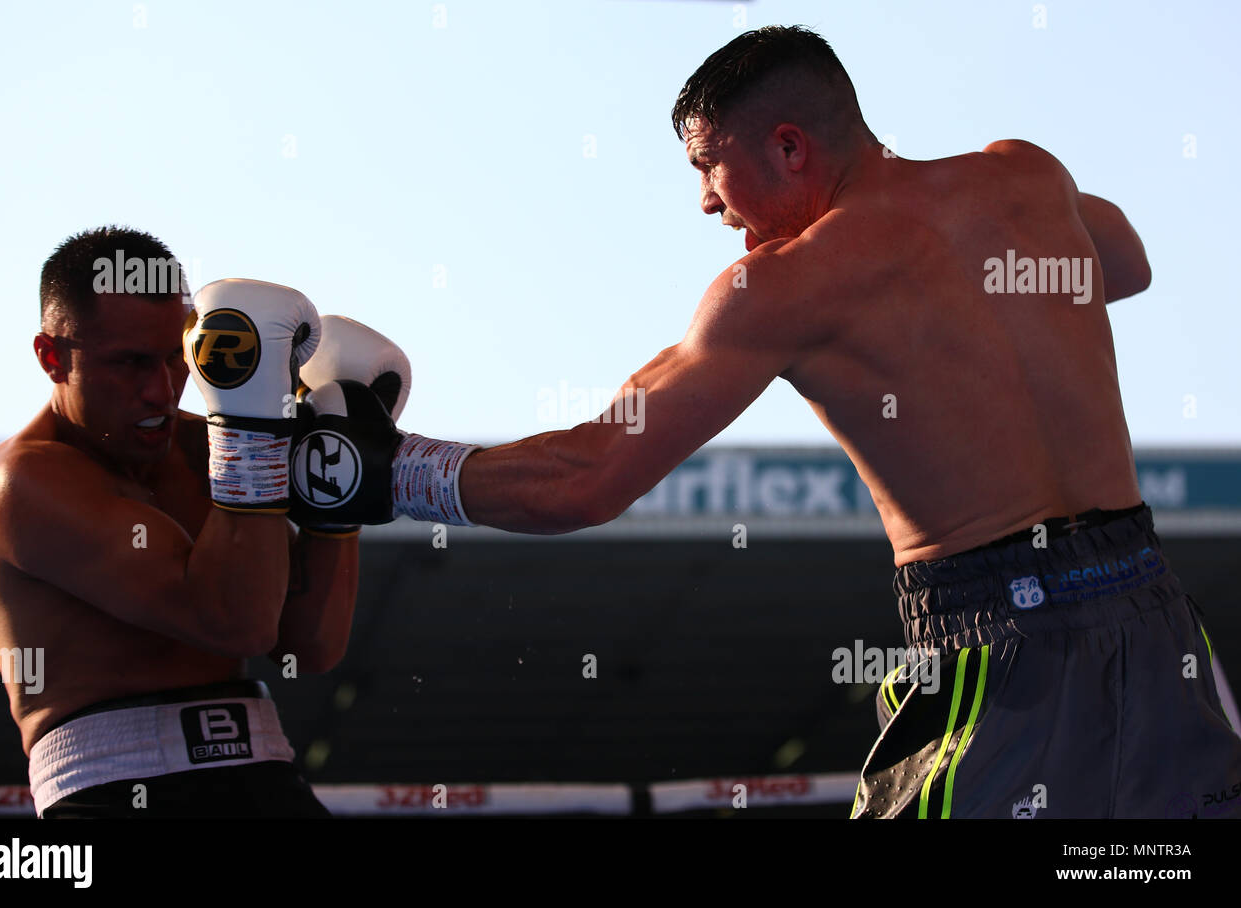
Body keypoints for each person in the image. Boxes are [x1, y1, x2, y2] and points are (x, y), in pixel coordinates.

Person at [360, 26, 1241, 818]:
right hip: (1159, 625)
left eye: (708, 165)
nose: (707, 202)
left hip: (1002, 665)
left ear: (789, 146)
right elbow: (1123, 262)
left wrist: (386, 471)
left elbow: (584, 480)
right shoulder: (1026, 174)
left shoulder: (781, 289)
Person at [0, 226, 369, 818]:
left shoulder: (211, 449)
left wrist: (339, 498)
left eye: (176, 360)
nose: (161, 390)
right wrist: (253, 441)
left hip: (266, 778)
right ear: (53, 357)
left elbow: (310, 644)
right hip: (113, 797)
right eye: (128, 363)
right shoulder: (21, 484)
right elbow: (236, 625)